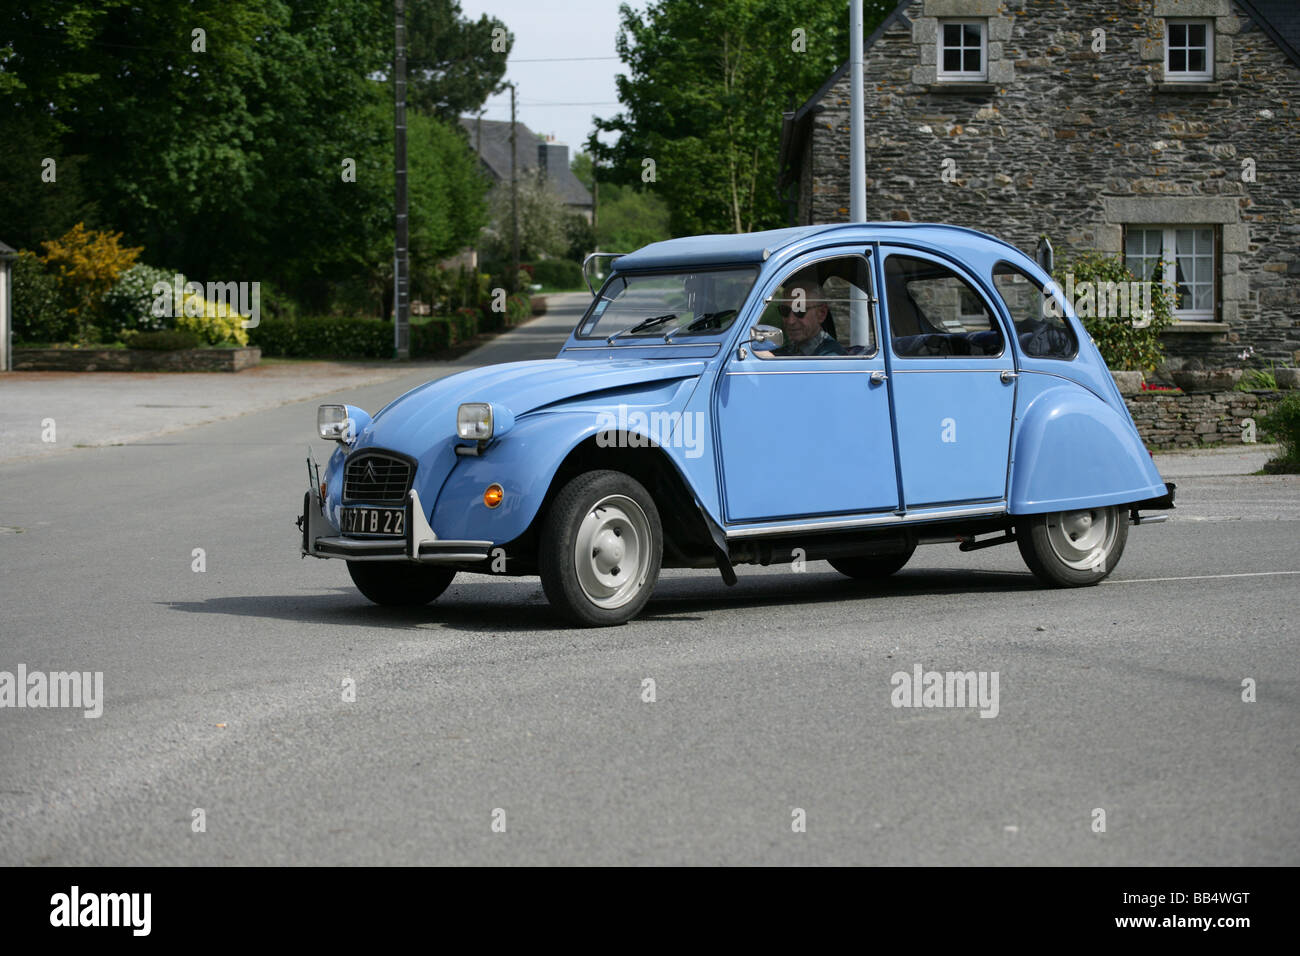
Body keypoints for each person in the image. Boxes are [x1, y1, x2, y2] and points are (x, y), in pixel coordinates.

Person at [772, 274, 846, 356]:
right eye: (784, 311)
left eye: (799, 311)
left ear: (821, 313)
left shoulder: (832, 356)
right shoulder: (789, 350)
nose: (790, 321)